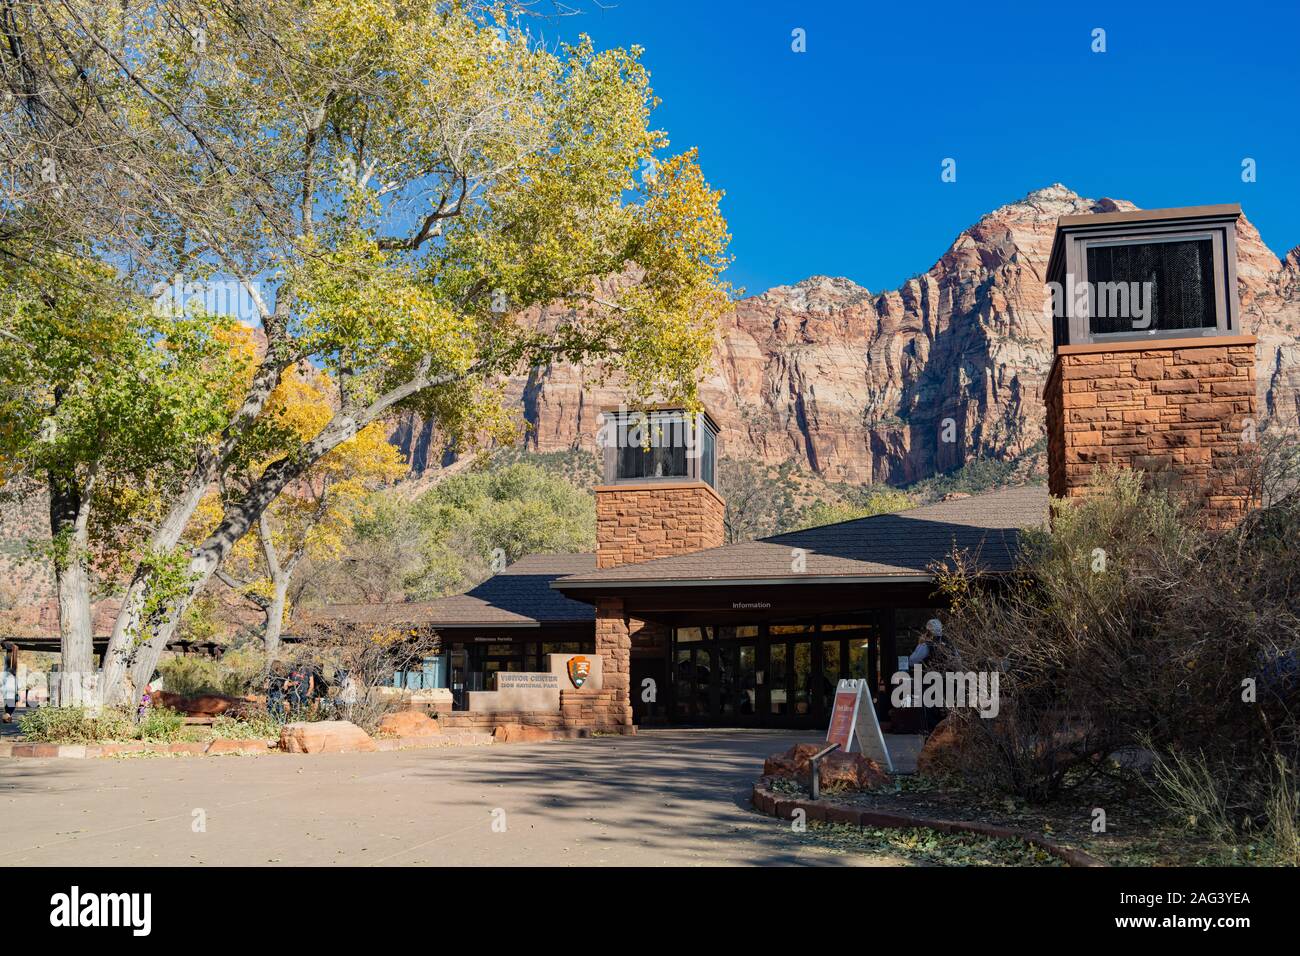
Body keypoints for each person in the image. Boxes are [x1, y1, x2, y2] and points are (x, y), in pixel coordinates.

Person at [2, 642, 19, 723]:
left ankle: (13, 649)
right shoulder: (8, 710)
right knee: (8, 665)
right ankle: (11, 649)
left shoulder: (9, 710)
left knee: (13, 665)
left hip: (10, 686)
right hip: (9, 687)